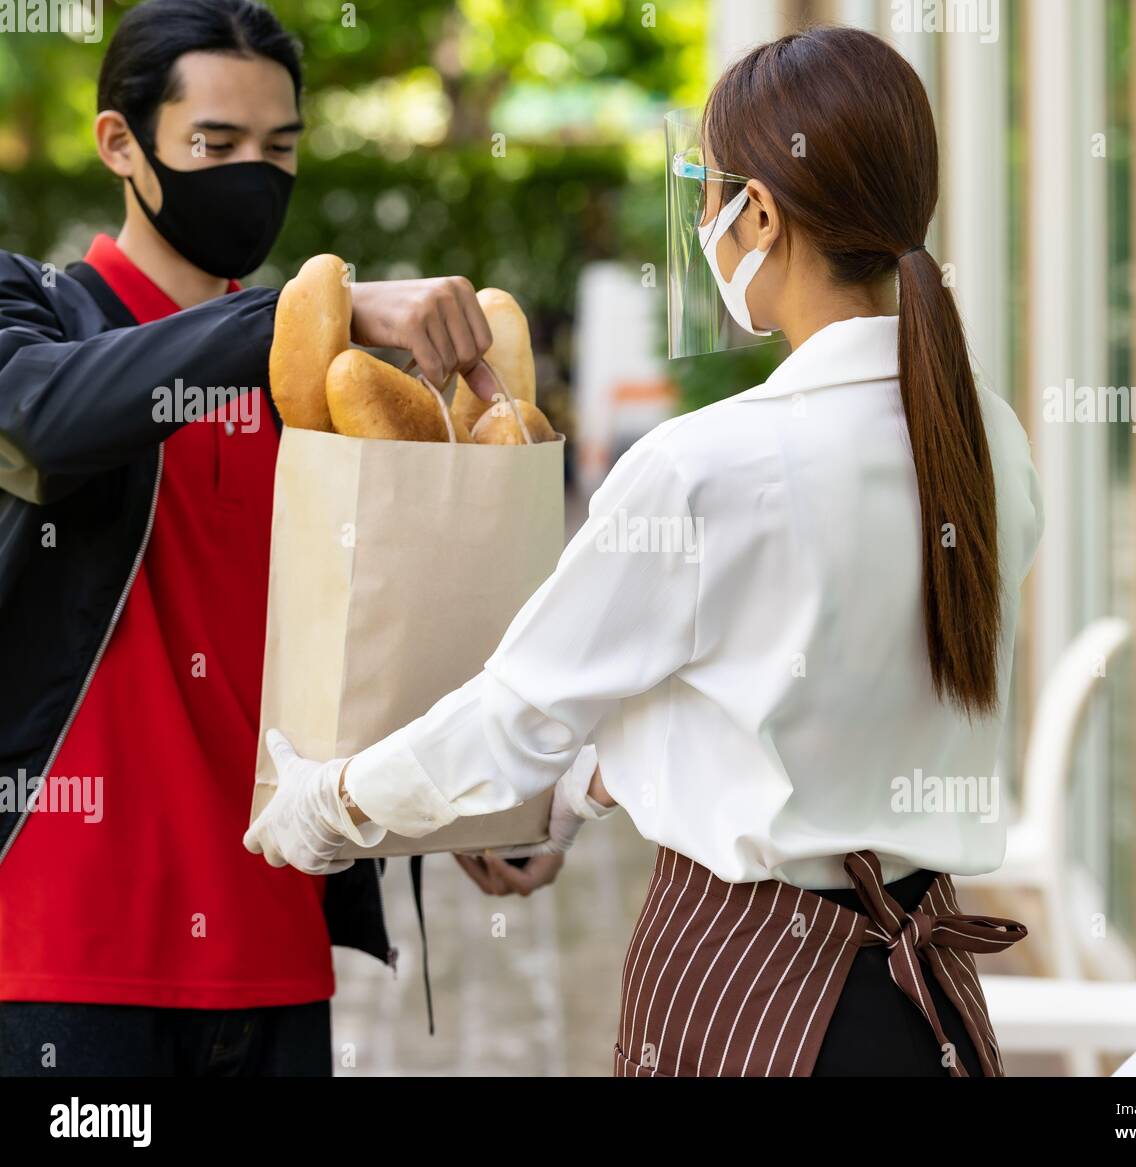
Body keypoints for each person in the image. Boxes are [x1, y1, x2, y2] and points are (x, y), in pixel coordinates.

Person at [246, 25, 1046, 1077]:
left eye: (710, 192)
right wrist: (581, 793)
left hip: (749, 993)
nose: (704, 220)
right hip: (925, 1008)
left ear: (759, 212)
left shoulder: (706, 466)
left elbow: (511, 719)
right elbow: (781, 706)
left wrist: (327, 805)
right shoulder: (987, 436)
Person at [0, 0, 577, 1079]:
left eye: (280, 149)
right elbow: (42, 416)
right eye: (214, 147)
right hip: (68, 959)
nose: (253, 178)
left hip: (276, 947)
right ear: (121, 144)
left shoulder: (318, 383)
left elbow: (381, 629)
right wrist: (311, 310)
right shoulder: (33, 316)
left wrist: (469, 798)